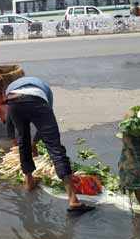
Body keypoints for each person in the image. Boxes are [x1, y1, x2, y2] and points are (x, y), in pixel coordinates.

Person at [5, 76, 95, 214]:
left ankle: (29, 181)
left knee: (23, 142)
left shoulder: (10, 88)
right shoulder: (44, 88)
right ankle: (73, 200)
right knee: (54, 146)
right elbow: (44, 127)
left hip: (13, 102)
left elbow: (9, 122)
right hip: (36, 100)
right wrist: (35, 142)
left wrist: (19, 141)